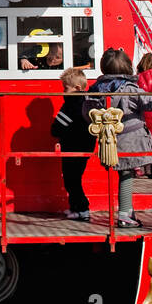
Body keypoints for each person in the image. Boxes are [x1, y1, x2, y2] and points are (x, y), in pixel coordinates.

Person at [84, 48, 152, 228]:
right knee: (126, 175)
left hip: (108, 139)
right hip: (130, 140)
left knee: (124, 173)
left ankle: (128, 211)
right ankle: (124, 214)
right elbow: (149, 103)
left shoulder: (95, 89)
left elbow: (86, 112)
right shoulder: (129, 88)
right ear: (127, 67)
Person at [50, 67, 93, 221]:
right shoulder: (88, 103)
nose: (63, 92)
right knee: (75, 179)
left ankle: (82, 209)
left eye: (65, 88)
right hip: (86, 147)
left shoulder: (70, 105)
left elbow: (56, 129)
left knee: (71, 180)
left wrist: (56, 130)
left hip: (71, 147)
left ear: (77, 88)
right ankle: (77, 208)